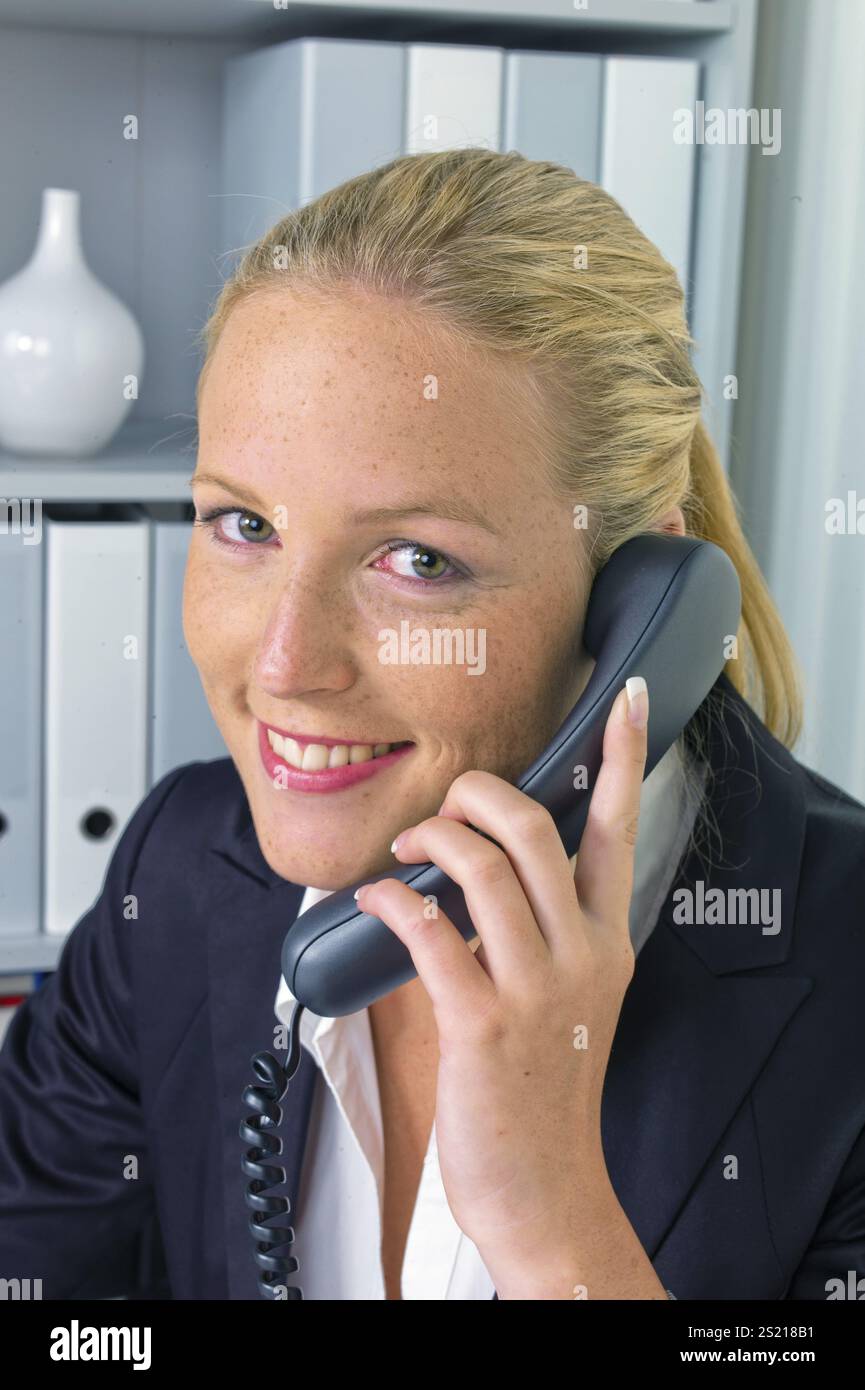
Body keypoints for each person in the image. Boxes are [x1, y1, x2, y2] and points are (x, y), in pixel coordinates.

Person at [1, 149, 863, 1301]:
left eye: (417, 560)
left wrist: (555, 1231)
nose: (283, 665)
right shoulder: (179, 867)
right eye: (245, 525)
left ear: (635, 606)